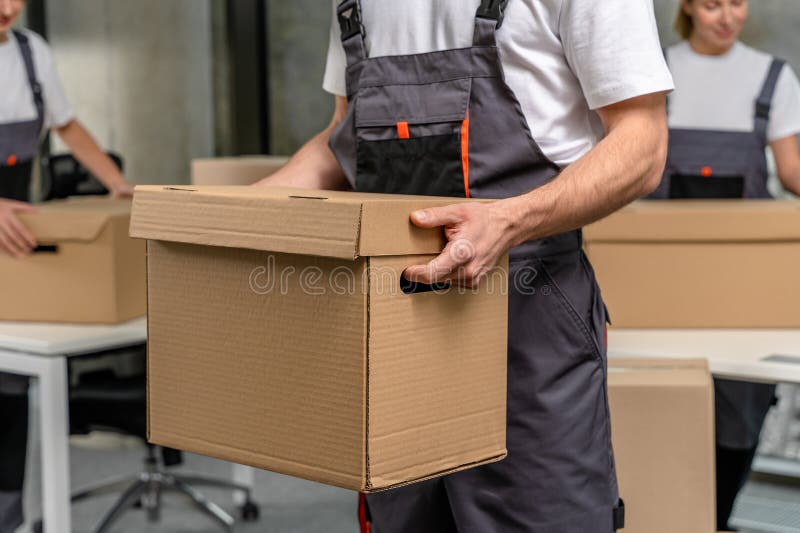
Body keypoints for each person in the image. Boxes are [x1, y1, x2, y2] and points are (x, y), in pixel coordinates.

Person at [257, 0, 672, 531]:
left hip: (527, 326)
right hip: (393, 333)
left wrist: (510, 220)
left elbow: (643, 143)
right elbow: (343, 140)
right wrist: (237, 216)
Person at [652, 1, 800, 529]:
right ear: (688, 5)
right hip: (659, 291)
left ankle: (715, 517)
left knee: (742, 414)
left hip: (743, 292)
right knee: (658, 407)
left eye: (737, 3)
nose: (726, 17)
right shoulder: (656, 70)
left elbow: (791, 171)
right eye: (712, 3)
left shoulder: (772, 77)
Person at [0, 0, 134, 530]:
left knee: (10, 387)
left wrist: (116, 181)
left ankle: (6, 514)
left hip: (13, 246)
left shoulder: (31, 53)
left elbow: (68, 127)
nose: (8, 8)